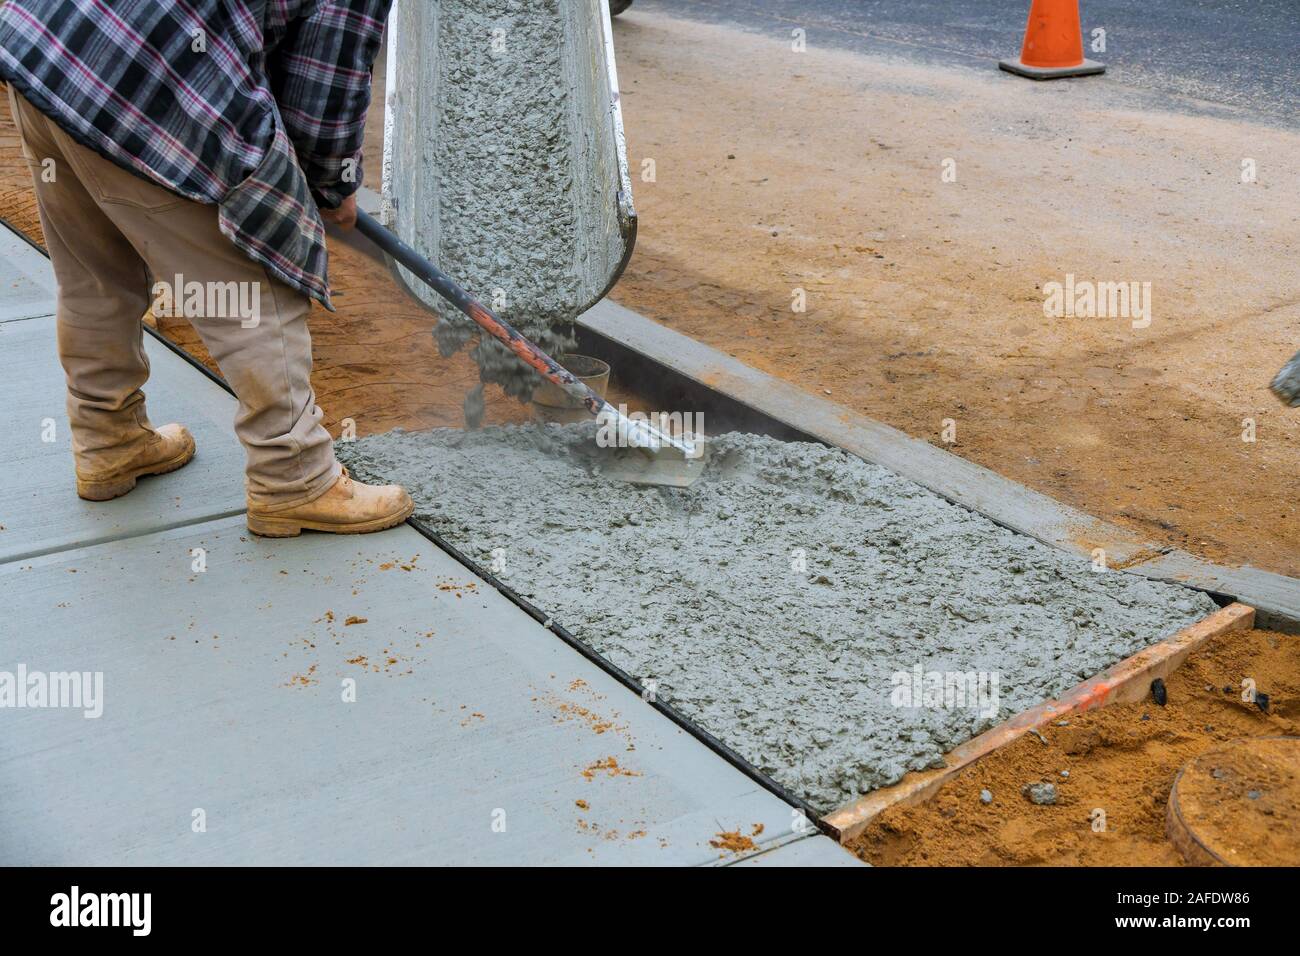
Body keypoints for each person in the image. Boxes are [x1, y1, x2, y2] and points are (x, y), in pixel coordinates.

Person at [0, 0, 413, 536]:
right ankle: (294, 477)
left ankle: (108, 440)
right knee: (252, 290)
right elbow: (322, 82)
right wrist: (330, 183)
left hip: (44, 51)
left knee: (94, 273)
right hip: (145, 83)